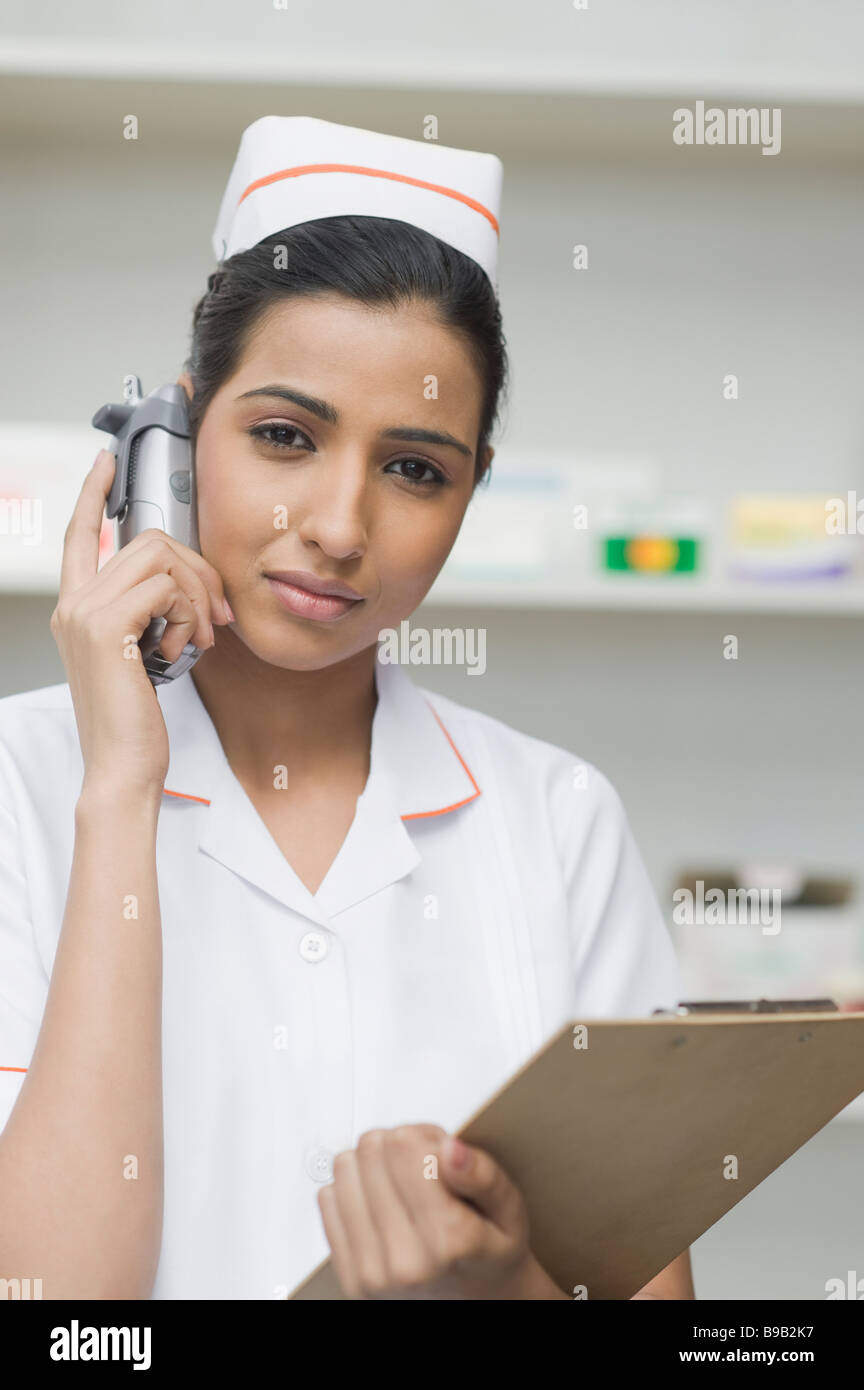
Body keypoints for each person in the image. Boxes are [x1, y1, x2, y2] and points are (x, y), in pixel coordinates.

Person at [0, 117, 693, 1300]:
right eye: (284, 436)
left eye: (415, 467)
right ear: (169, 441)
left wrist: (504, 1287)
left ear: (471, 493)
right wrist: (119, 790)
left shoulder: (560, 818)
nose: (338, 524)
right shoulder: (24, 785)